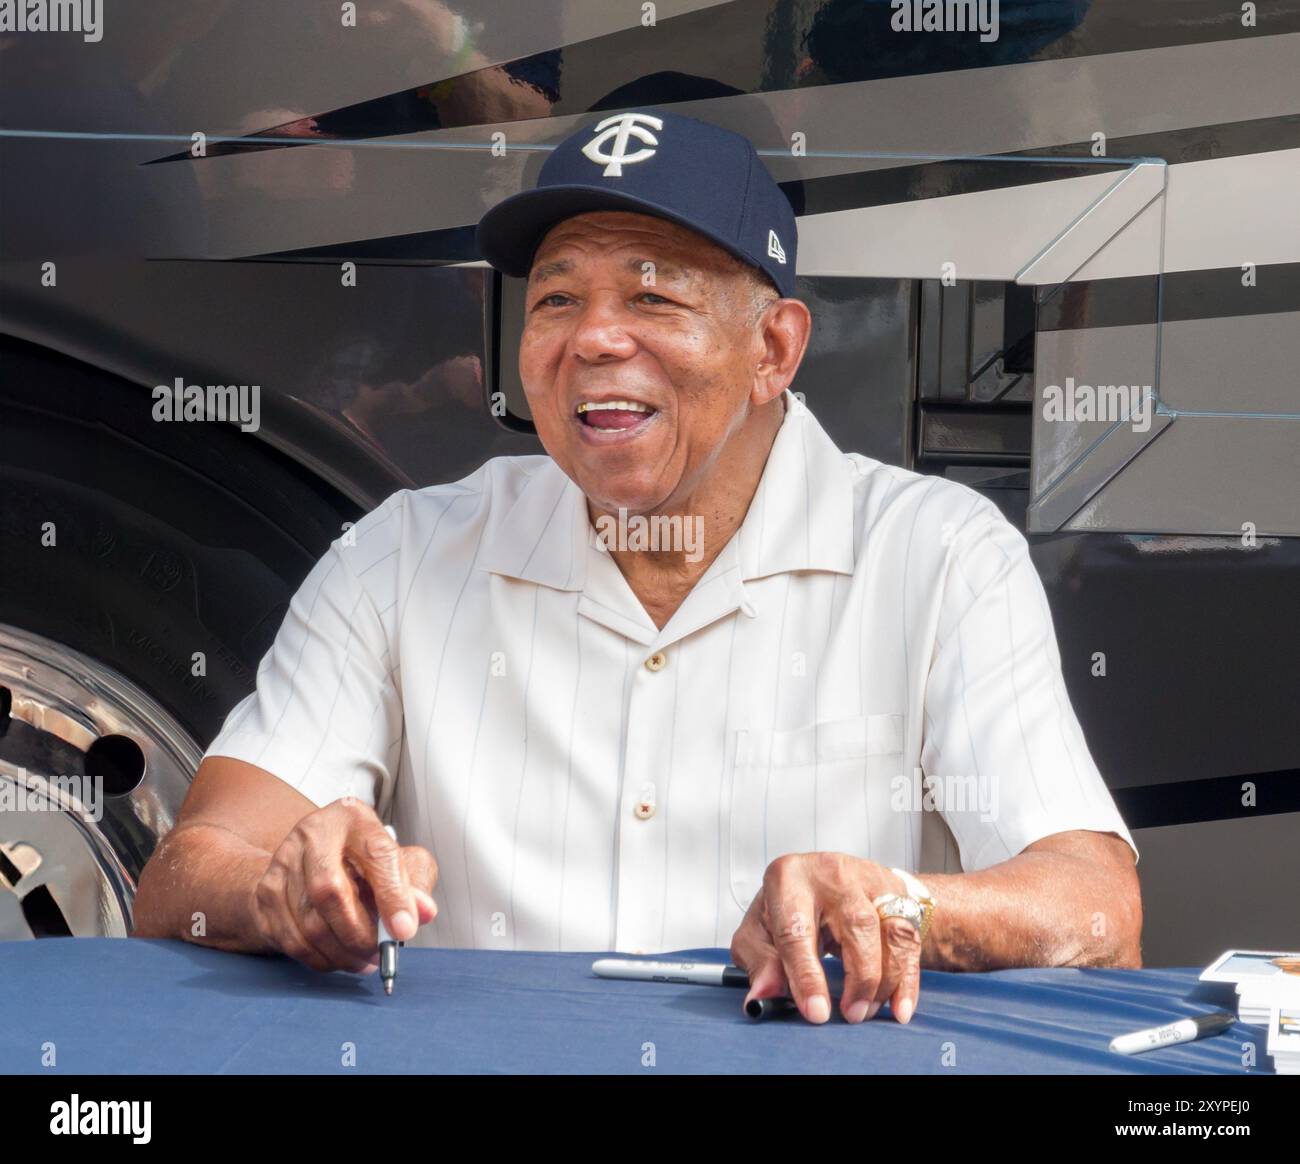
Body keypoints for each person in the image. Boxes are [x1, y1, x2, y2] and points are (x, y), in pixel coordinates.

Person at [134, 109, 1141, 1026]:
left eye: (653, 296)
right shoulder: (401, 554)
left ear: (773, 349)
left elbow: (1095, 911)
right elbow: (182, 877)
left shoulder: (936, 552)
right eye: (556, 298)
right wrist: (281, 884)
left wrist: (901, 903)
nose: (593, 338)